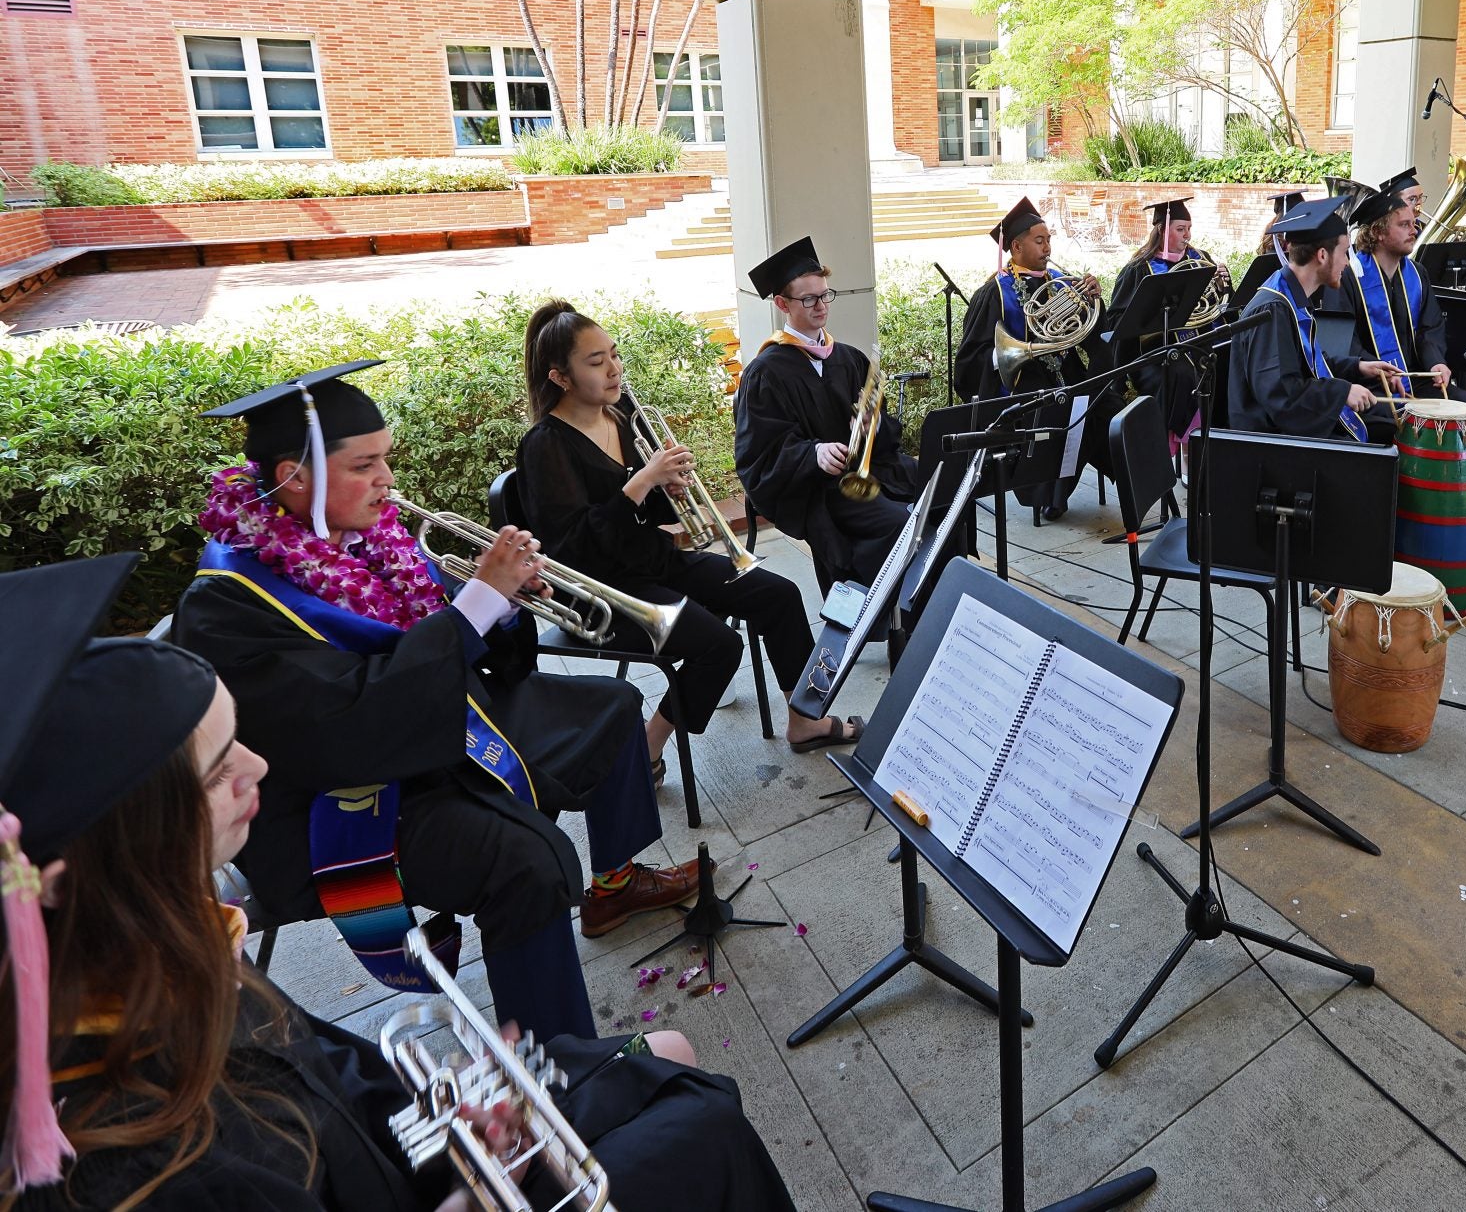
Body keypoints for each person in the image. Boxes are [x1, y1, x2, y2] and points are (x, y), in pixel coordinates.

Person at [0, 554, 800, 1211]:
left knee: (668, 1057)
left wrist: (459, 1114)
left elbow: (335, 1080)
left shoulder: (158, 951)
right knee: (700, 1120)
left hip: (409, 1152)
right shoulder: (135, 1164)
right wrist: (469, 1190)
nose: (257, 765)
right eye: (217, 769)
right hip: (423, 1166)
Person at [173, 364, 693, 1044]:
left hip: (432, 726)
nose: (387, 479)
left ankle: (615, 884)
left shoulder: (368, 535)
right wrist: (476, 605)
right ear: (294, 478)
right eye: (365, 465)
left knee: (616, 706)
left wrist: (507, 606)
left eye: (385, 458)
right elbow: (349, 721)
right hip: (342, 795)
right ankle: (558, 1060)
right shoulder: (229, 599)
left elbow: (459, 651)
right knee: (527, 862)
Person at [517, 301, 864, 775]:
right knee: (719, 647)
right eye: (596, 362)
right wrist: (643, 481)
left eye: (614, 354)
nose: (614, 368)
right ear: (560, 377)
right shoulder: (545, 445)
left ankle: (804, 719)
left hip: (652, 561)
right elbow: (576, 547)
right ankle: (647, 747)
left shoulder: (620, 416)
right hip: (602, 591)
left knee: (779, 596)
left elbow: (650, 514)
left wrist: (668, 487)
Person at [732, 237, 918, 588]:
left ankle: (940, 598)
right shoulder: (766, 372)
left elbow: (885, 431)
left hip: (868, 469)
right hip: (815, 486)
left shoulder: (848, 358)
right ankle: (879, 608)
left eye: (825, 295)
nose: (821, 306)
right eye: (808, 299)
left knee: (943, 494)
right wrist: (813, 454)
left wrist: (873, 425)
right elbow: (757, 453)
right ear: (782, 304)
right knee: (898, 524)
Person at [954, 197, 1109, 521]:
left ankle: (1130, 480)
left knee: (1105, 406)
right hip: (1022, 382)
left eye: (1049, 239)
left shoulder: (1061, 284)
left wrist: (1094, 300)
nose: (1047, 247)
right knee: (1056, 409)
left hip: (1066, 372)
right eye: (1039, 241)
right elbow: (970, 361)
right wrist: (1012, 354)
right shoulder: (994, 292)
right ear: (1016, 246)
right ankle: (1047, 495)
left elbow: (1093, 336)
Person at [1227, 195, 1389, 440]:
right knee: (1385, 440)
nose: (1347, 263)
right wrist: (1341, 392)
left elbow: (1307, 364)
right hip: (1272, 442)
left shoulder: (1292, 296)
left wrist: (1357, 367)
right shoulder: (1273, 309)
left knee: (1388, 421)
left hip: (1291, 428)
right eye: (1345, 252)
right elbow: (1281, 395)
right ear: (1322, 255)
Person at [1104, 197, 1229, 446]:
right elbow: (1117, 319)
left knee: (1223, 360)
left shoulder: (1200, 258)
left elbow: (1217, 306)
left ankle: (1212, 444)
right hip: (1155, 352)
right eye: (1180, 229)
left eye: (1189, 229)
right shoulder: (1139, 268)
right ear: (1162, 230)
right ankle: (1169, 446)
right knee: (1179, 374)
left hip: (1198, 342)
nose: (1187, 236)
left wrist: (1221, 284)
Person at [1341, 186, 1457, 409]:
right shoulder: (1350, 277)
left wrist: (1435, 363)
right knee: (1394, 419)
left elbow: (1429, 328)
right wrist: (1376, 368)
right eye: (1404, 225)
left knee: (1464, 405)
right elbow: (1345, 341)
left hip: (1415, 377)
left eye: (1414, 224)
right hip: (1370, 383)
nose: (1414, 231)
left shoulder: (1417, 274)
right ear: (1378, 232)